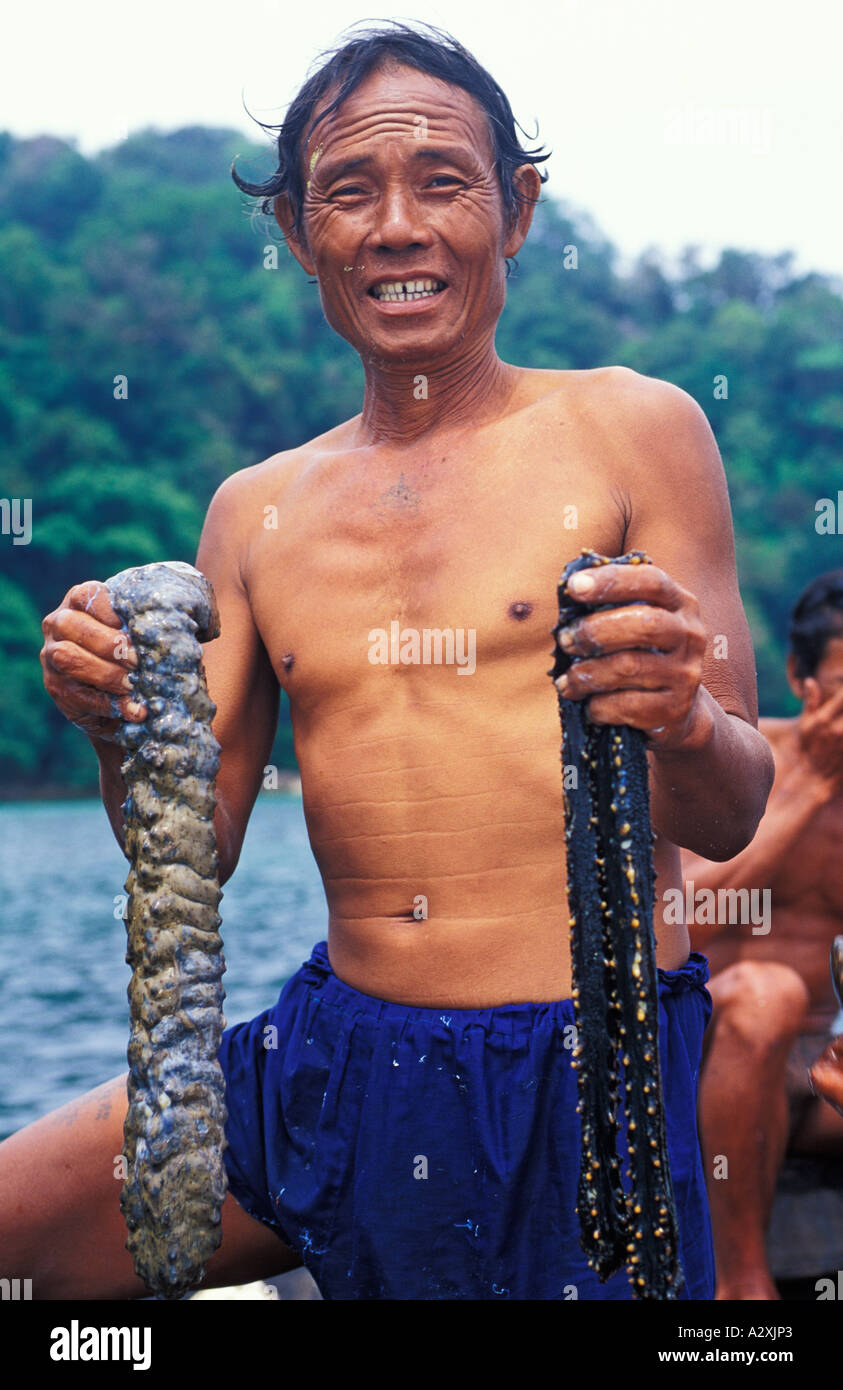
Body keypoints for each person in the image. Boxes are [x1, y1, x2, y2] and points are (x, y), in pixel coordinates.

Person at [0, 21, 773, 1300]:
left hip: (580, 1070)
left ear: (518, 209)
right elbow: (193, 847)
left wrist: (683, 716)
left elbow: (732, 811)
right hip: (330, 1050)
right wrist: (115, 727)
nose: (398, 228)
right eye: (350, 192)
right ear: (299, 234)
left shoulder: (634, 430)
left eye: (444, 182)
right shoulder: (256, 509)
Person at [682, 569, 843, 1300]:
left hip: (817, 1081)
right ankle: (740, 1288)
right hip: (704, 1053)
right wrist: (811, 784)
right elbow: (674, 921)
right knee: (764, 993)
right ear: (801, 680)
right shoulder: (740, 773)